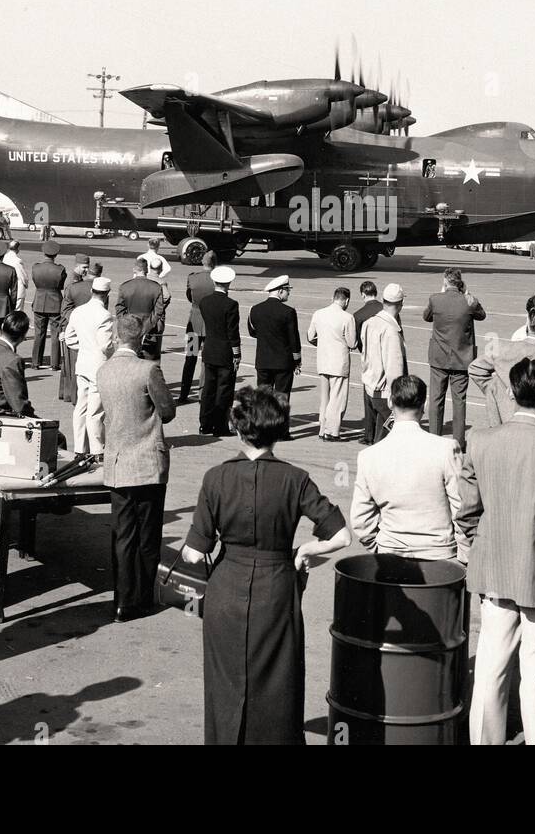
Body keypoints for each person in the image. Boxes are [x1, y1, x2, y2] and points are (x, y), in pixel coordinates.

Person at [180, 386, 350, 744]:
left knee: (224, 684)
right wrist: (306, 552)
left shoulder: (216, 478)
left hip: (226, 590)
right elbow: (341, 536)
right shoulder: (296, 479)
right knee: (278, 684)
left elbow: (194, 553)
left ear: (240, 430)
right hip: (277, 589)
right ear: (277, 431)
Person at [458, 358, 535, 745]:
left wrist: (487, 541)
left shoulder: (480, 439)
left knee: (491, 669)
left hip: (494, 568)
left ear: (510, 393)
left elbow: (467, 512)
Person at [99, 313, 176, 622]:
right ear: (142, 337)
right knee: (147, 535)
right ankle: (142, 598)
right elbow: (167, 411)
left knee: (123, 535)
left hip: (117, 463)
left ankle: (121, 600)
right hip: (146, 462)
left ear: (117, 336)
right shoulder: (148, 370)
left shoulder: (104, 370)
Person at [350, 375, 461, 560]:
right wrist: (463, 554)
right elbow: (461, 508)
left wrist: (378, 546)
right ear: (424, 405)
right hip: (439, 554)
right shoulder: (446, 449)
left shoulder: (368, 456)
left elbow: (360, 519)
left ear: (390, 402)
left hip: (391, 553)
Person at [470, 306, 535, 428]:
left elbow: (475, 368)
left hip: (502, 417)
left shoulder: (502, 348)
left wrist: (495, 390)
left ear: (527, 327)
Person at [422, 267, 486, 449]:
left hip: (439, 357)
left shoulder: (435, 299)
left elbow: (426, 317)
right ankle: (458, 441)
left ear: (445, 281)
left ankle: (434, 437)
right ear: (460, 283)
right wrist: (468, 294)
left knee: (436, 398)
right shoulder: (469, 301)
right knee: (459, 400)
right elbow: (482, 315)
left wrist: (442, 293)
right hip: (461, 358)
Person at [66, 276, 116, 457]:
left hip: (83, 363)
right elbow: (105, 345)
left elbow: (69, 337)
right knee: (95, 411)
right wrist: (114, 351)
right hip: (98, 366)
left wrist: (85, 347)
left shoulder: (78, 311)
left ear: (91, 292)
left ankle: (79, 447)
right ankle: (97, 449)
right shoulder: (105, 316)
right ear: (107, 295)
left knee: (81, 406)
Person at [360, 283, 408, 445]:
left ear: (383, 300)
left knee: (379, 437)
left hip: (370, 386)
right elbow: (394, 368)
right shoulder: (391, 331)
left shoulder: (370, 322)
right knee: (387, 441)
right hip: (386, 393)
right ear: (400, 304)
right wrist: (397, 396)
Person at [306, 286, 356, 441]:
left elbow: (310, 336)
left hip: (323, 360)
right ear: (346, 300)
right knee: (337, 399)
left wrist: (321, 343)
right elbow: (352, 342)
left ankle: (322, 429)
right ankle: (332, 431)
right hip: (339, 362)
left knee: (325, 399)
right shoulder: (347, 318)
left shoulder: (319, 314)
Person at [248, 275, 301, 416]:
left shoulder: (255, 309)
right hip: (283, 362)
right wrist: (297, 360)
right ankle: (281, 430)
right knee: (282, 397)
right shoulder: (288, 312)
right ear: (280, 291)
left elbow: (252, 332)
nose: (289, 293)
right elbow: (294, 339)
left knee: (263, 397)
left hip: (263, 360)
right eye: (287, 290)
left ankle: (262, 426)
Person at [198, 265, 241, 437]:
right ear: (228, 283)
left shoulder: (205, 302)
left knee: (208, 388)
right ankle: (220, 425)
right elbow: (232, 332)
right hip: (224, 352)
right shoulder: (231, 305)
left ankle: (205, 424)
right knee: (224, 390)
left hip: (209, 349)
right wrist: (237, 353)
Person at [179, 251, 216, 405]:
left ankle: (184, 393)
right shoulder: (216, 279)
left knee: (190, 359)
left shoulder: (193, 277)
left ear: (202, 262)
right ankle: (202, 394)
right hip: (210, 326)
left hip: (194, 323)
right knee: (206, 362)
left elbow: (189, 297)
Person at [57, 255, 92, 403]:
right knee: (72, 363)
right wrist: (78, 319)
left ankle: (66, 393)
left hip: (72, 323)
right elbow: (66, 309)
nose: (86, 270)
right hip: (71, 324)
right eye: (84, 267)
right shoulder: (72, 282)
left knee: (69, 364)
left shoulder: (76, 279)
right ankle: (71, 394)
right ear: (77, 266)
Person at [116, 256, 166, 359]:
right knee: (149, 364)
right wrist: (146, 327)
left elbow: (119, 309)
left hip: (130, 332)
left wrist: (128, 325)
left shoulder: (125, 287)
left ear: (134, 269)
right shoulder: (156, 287)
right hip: (150, 332)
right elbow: (158, 311)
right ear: (147, 270)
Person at [29, 240, 66, 369]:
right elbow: (60, 286)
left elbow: (35, 281)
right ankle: (55, 363)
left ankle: (35, 362)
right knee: (55, 333)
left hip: (39, 301)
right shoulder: (60, 269)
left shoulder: (36, 267)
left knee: (39, 333)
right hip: (55, 302)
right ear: (55, 254)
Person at [351, 279, 383, 345]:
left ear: (363, 295)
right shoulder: (386, 309)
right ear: (376, 293)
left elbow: (359, 339)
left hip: (369, 350)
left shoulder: (358, 315)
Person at [2, 240, 29, 312]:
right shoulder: (18, 260)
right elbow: (23, 277)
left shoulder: (4, 258)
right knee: (17, 313)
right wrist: (26, 284)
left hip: (5, 289)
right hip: (17, 290)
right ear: (17, 249)